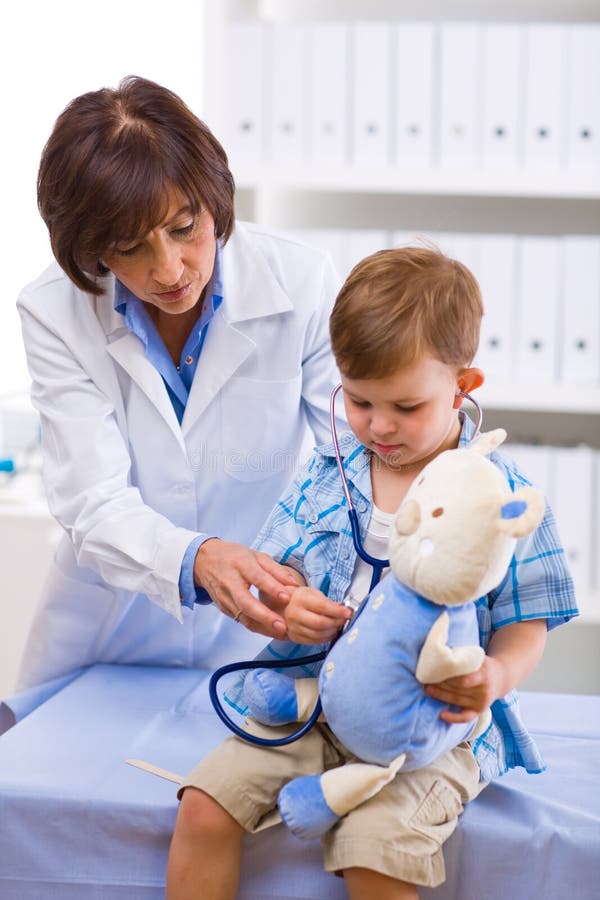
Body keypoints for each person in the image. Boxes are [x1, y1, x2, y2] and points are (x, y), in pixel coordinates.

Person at [167, 246, 577, 900]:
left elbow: (529, 622)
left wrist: (494, 676)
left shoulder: (499, 497)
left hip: (428, 733)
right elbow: (271, 575)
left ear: (463, 387)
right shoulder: (328, 474)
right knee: (200, 806)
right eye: (358, 401)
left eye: (406, 407)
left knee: (374, 850)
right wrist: (287, 604)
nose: (379, 427)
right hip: (313, 700)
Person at [16, 76, 344, 690]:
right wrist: (197, 558)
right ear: (92, 252)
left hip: (260, 628)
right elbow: (93, 501)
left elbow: (357, 459)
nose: (169, 270)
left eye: (184, 227)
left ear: (214, 200)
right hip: (107, 635)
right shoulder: (54, 311)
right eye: (130, 247)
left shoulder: (301, 283)